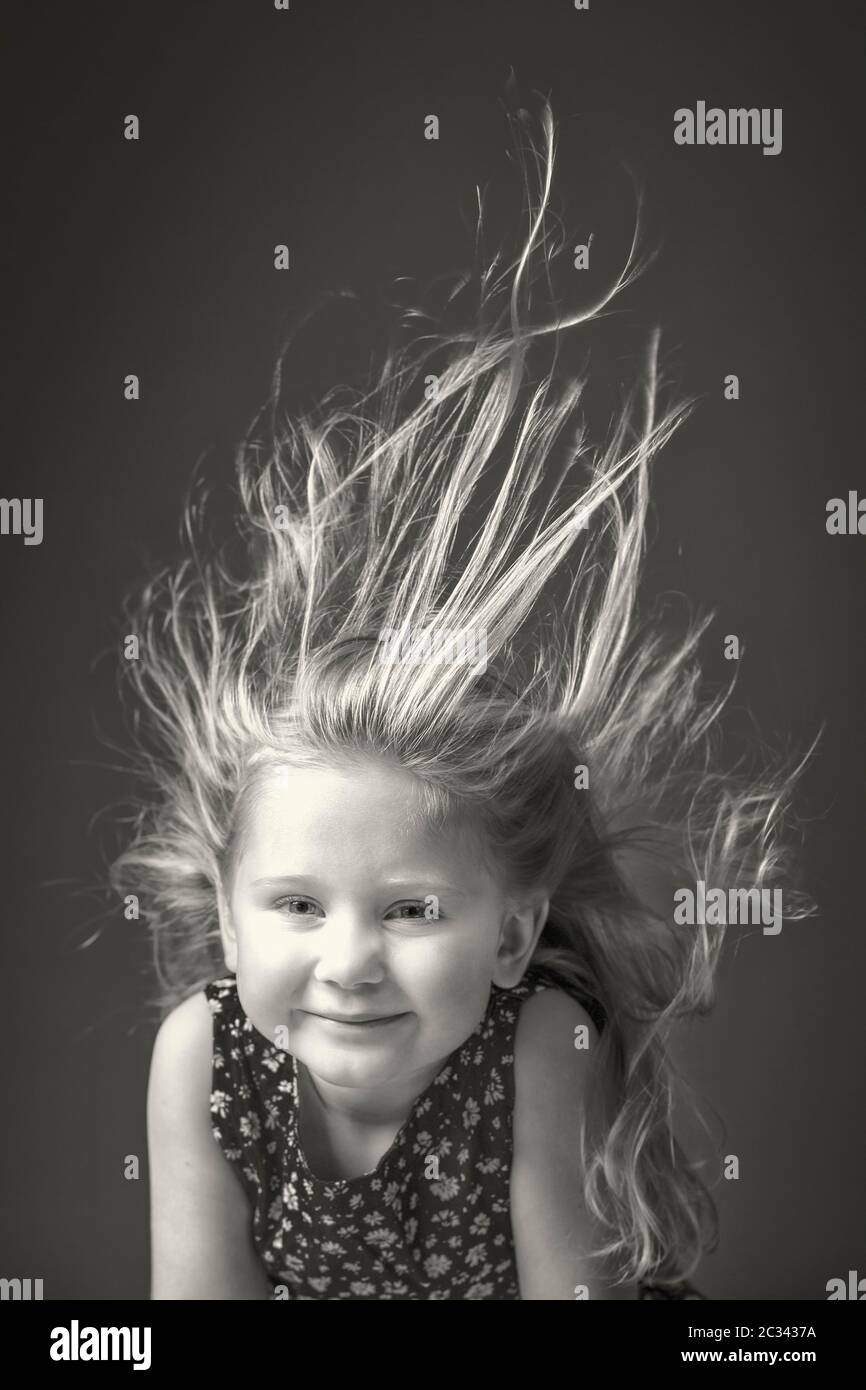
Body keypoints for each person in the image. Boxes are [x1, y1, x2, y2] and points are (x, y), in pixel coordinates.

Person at [113, 100, 810, 1299]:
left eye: (412, 908)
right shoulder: (203, 1060)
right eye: (292, 902)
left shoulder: (536, 1046)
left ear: (512, 934)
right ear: (226, 925)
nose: (349, 961)